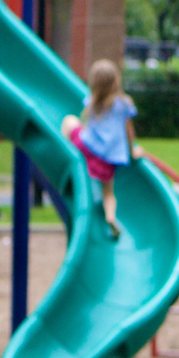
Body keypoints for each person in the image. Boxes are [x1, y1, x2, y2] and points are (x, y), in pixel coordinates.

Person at [62, 60, 140, 241]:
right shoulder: (124, 104)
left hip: (85, 147)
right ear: (116, 82)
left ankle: (66, 153)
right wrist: (132, 151)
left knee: (69, 121)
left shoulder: (92, 101)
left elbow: (87, 125)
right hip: (106, 159)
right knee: (108, 193)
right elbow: (129, 133)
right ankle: (110, 217)